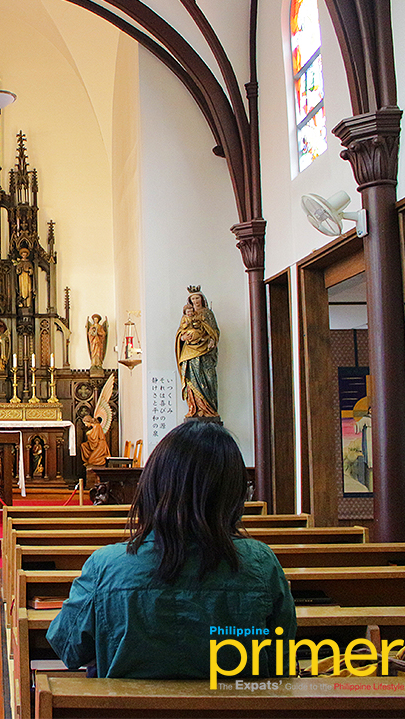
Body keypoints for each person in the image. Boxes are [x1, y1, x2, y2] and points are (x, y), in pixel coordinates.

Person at [47, 421, 296, 679]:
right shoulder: (261, 565)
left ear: (152, 484)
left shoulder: (106, 566)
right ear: (234, 493)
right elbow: (280, 662)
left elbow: (68, 648)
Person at [175, 288, 220, 418]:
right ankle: (195, 408)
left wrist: (212, 340)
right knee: (191, 377)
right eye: (193, 299)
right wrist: (183, 337)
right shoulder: (187, 317)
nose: (195, 301)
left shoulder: (207, 314)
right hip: (190, 351)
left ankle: (209, 408)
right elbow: (180, 333)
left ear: (202, 299)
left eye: (197, 298)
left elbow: (214, 331)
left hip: (204, 349)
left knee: (208, 378)